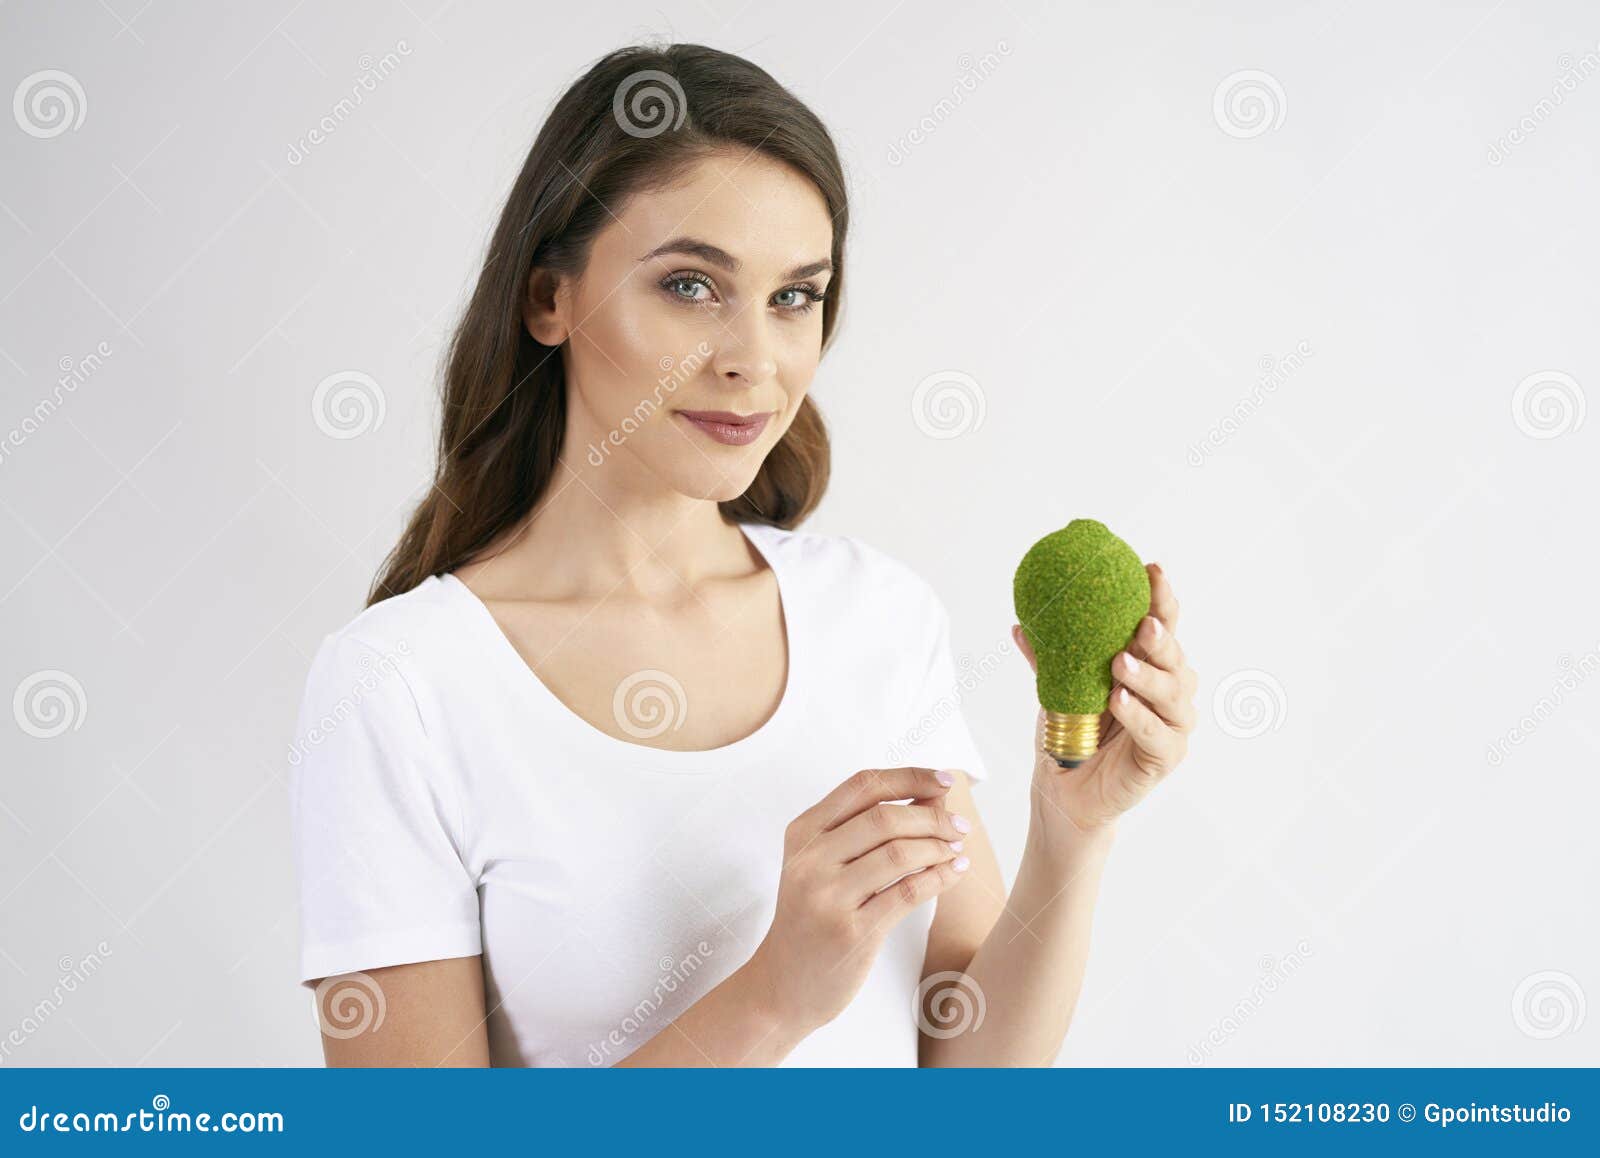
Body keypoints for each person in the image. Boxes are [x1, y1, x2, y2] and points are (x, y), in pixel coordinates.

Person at [288, 41, 1197, 1067]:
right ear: (549, 299)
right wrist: (767, 1001)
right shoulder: (399, 685)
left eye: (793, 298)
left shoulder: (876, 619)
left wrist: (1071, 834)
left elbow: (971, 1088)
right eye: (688, 286)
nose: (752, 361)